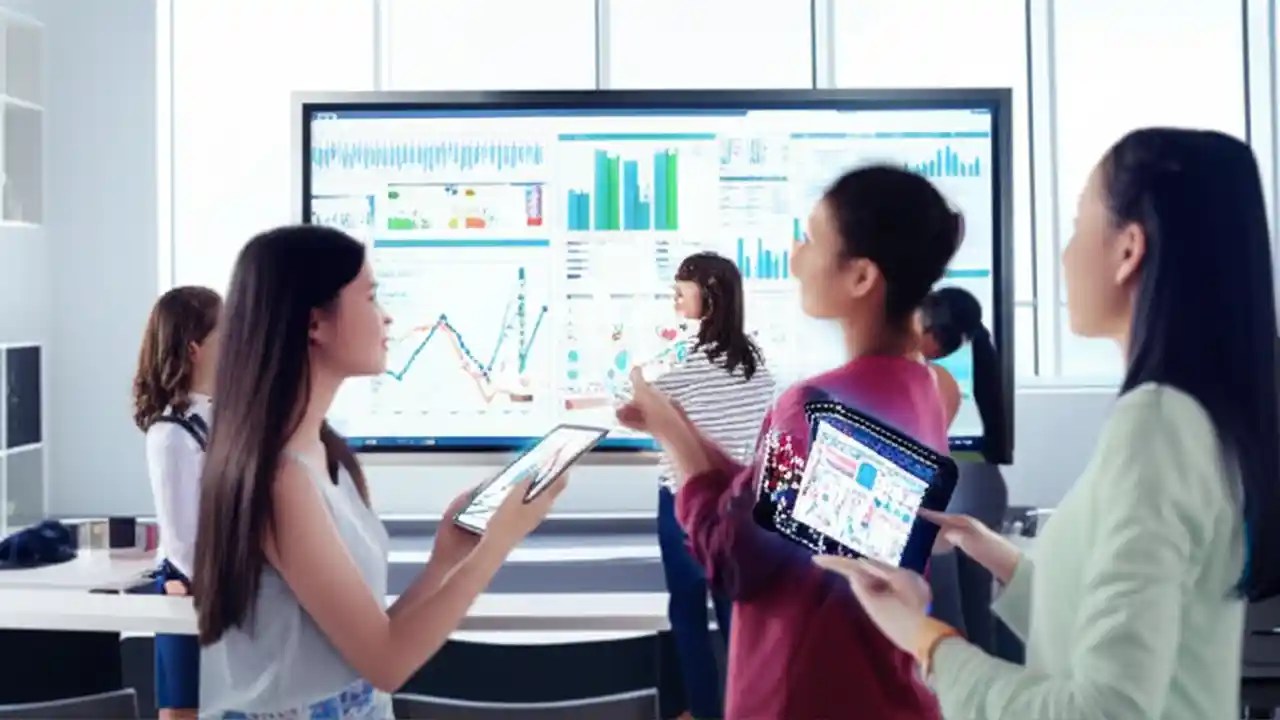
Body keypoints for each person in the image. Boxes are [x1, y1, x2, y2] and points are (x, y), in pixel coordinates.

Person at [817, 128, 1280, 720]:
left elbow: (1103, 708)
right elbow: (1125, 635)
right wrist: (995, 554)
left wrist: (925, 640)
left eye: (1079, 224)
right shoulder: (1199, 416)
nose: (1065, 255)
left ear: (1128, 249)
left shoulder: (1158, 424)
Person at [619, 165, 962, 719]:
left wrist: (671, 437)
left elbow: (733, 561)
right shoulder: (921, 389)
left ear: (861, 278)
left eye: (810, 240)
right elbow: (784, 515)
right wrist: (681, 429)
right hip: (878, 691)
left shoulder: (815, 407)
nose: (795, 258)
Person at [192, 225, 566, 717]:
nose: (387, 317)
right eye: (370, 297)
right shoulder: (280, 480)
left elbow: (374, 638)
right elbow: (387, 663)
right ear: (314, 325)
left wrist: (445, 559)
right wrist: (501, 539)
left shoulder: (327, 455)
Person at [649, 252, 776, 720]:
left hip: (683, 502)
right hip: (738, 503)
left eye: (681, 292)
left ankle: (702, 710)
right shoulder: (757, 364)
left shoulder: (683, 366)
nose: (674, 301)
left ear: (709, 296)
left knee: (686, 612)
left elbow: (630, 402)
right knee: (733, 613)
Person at [131, 285, 221, 720]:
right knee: (184, 709)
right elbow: (184, 544)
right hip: (190, 593)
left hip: (224, 594)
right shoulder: (170, 434)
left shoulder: (223, 414)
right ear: (195, 349)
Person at [916, 286, 1011, 655]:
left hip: (959, 491)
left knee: (948, 614)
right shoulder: (977, 358)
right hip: (983, 487)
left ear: (934, 335)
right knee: (975, 614)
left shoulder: (933, 373)